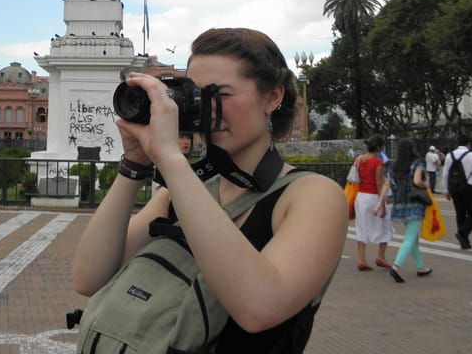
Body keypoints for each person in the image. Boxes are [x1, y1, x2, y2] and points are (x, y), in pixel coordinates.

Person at [72, 28, 347, 352]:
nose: (206, 110)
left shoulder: (312, 196)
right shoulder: (184, 192)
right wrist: (135, 164)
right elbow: (88, 278)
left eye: (222, 95)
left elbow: (259, 308)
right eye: (197, 96)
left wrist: (171, 159)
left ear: (272, 97)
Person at [376, 139, 432, 283]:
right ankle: (396, 267)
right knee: (410, 238)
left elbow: (387, 183)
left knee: (413, 237)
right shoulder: (417, 163)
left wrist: (379, 203)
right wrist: (427, 183)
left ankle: (421, 267)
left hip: (400, 204)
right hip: (414, 203)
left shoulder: (392, 166)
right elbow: (417, 181)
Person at [352, 134, 393, 270]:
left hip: (360, 197)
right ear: (380, 148)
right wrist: (382, 205)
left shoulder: (358, 160)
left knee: (361, 227)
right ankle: (381, 257)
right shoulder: (377, 163)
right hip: (373, 197)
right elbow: (379, 184)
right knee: (386, 224)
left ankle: (362, 260)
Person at [442, 136, 472, 250]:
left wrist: (446, 190)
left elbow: (445, 174)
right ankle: (462, 232)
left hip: (454, 188)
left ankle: (464, 241)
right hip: (470, 187)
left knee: (460, 212)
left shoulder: (449, 155)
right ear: (468, 144)